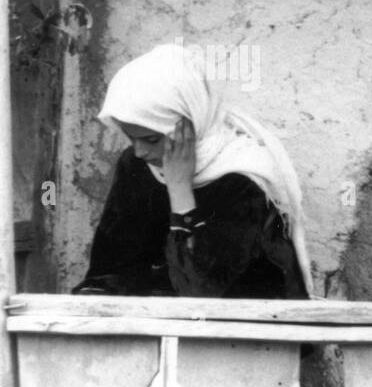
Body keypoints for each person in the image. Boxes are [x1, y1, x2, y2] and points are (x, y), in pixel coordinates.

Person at [75, 43, 313, 300]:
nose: (140, 152)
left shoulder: (242, 179)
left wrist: (179, 190)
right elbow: (110, 267)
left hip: (244, 326)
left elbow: (202, 291)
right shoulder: (137, 166)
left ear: (192, 122)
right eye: (131, 139)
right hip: (158, 320)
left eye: (152, 139)